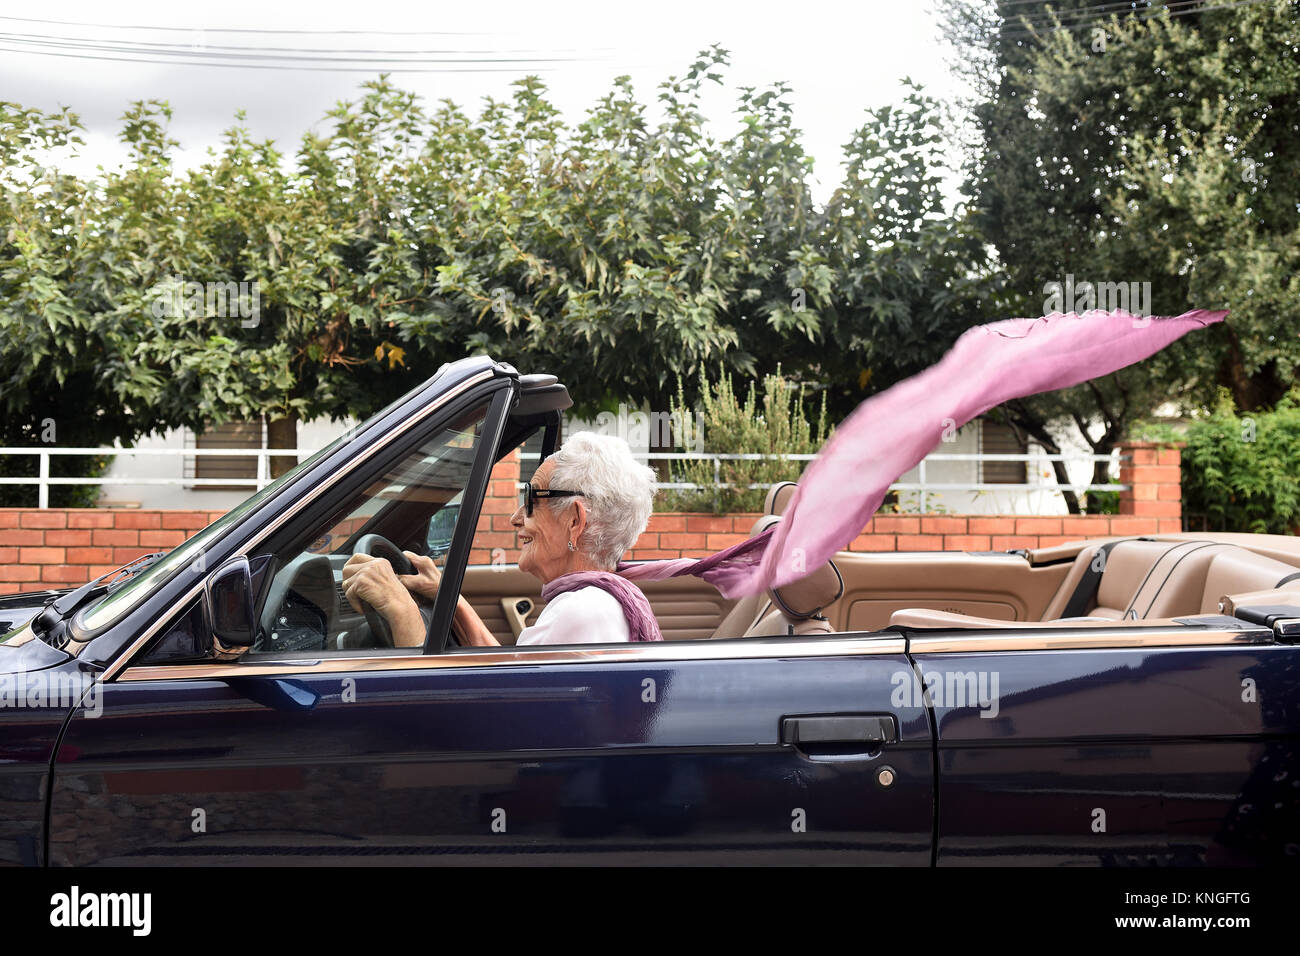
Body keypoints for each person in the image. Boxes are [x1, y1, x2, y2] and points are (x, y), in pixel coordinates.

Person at [341, 431, 661, 648]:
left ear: (575, 521)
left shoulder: (579, 615)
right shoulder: (597, 605)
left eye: (532, 498)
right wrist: (446, 597)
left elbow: (458, 724)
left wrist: (399, 609)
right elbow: (507, 674)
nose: (515, 517)